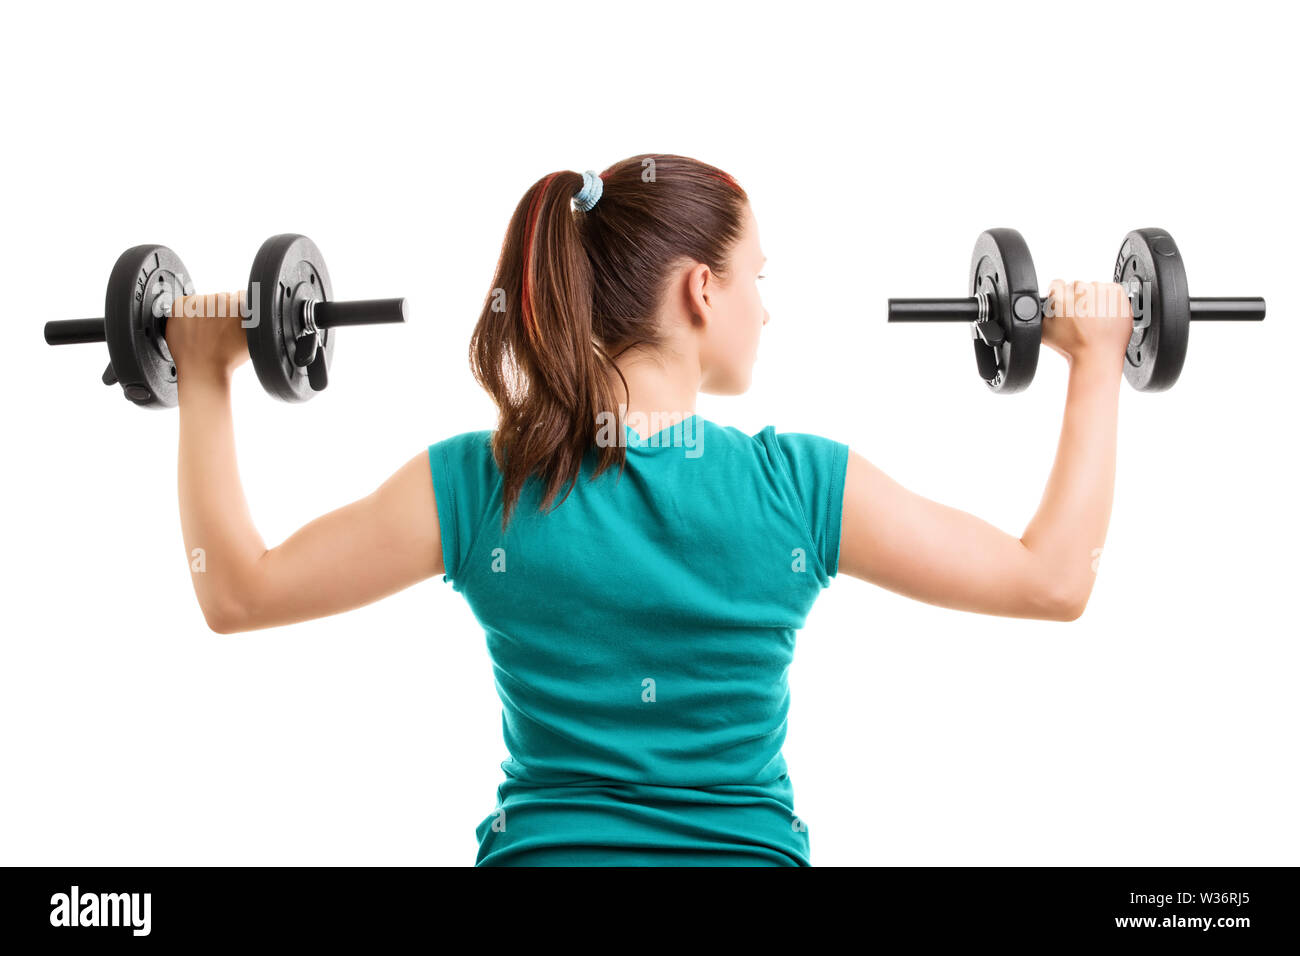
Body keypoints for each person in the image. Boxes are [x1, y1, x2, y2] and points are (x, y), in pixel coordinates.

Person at [166, 154, 1134, 866]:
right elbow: (1051, 582)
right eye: (760, 276)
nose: (766, 306)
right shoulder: (798, 487)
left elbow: (240, 594)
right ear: (700, 288)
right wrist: (1093, 361)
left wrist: (205, 374)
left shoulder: (480, 482)